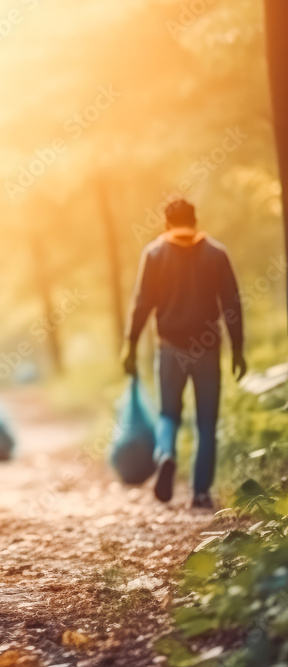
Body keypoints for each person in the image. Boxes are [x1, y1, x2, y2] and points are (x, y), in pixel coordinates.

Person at [123, 198, 246, 509]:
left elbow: (142, 305)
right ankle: (201, 492)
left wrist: (131, 345)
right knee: (206, 421)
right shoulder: (216, 254)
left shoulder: (154, 254)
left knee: (168, 414)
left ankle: (166, 454)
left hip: (169, 348)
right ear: (195, 220)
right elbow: (232, 305)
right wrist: (238, 349)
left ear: (167, 223)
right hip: (207, 348)